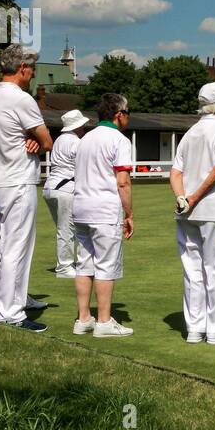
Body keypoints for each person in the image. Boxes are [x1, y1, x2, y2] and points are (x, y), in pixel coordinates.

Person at [0, 46, 53, 330]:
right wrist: (33, 137)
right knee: (17, 246)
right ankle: (12, 311)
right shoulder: (21, 99)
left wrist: (29, 136)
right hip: (18, 177)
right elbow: (46, 141)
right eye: (32, 69)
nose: (33, 74)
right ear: (22, 67)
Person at [170, 82, 215, 344]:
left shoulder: (190, 133)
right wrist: (191, 197)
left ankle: (195, 328)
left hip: (188, 213)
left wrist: (182, 199)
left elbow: (176, 172)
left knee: (193, 270)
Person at [70, 94, 134, 338]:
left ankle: (84, 318)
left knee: (84, 264)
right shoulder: (118, 140)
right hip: (104, 209)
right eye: (128, 112)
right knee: (106, 266)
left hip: (81, 208)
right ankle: (104, 322)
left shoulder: (85, 138)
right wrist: (129, 213)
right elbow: (123, 182)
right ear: (118, 114)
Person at [43, 109, 90, 278]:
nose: (84, 127)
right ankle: (64, 267)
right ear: (77, 126)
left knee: (65, 228)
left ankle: (70, 262)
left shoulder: (60, 140)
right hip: (65, 189)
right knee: (66, 229)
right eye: (82, 125)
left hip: (51, 188)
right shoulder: (76, 142)